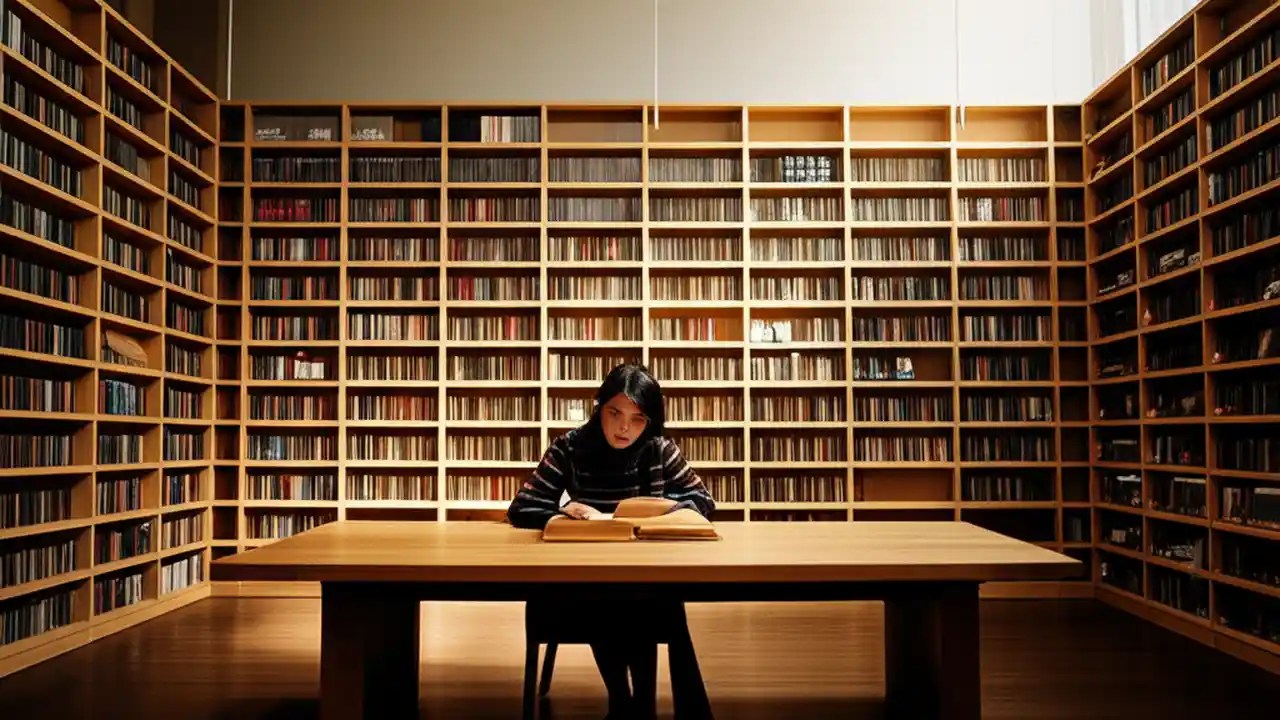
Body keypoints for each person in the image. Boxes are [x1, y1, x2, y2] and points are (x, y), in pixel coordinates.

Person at [507, 362, 716, 719]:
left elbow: (704, 501)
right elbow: (522, 506)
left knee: (652, 598)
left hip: (646, 572)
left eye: (637, 419)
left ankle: (639, 705)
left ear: (649, 421)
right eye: (614, 413)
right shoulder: (570, 447)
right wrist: (564, 512)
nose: (624, 428)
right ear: (598, 407)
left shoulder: (659, 448)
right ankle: (625, 699)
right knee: (614, 597)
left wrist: (663, 510)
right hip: (587, 575)